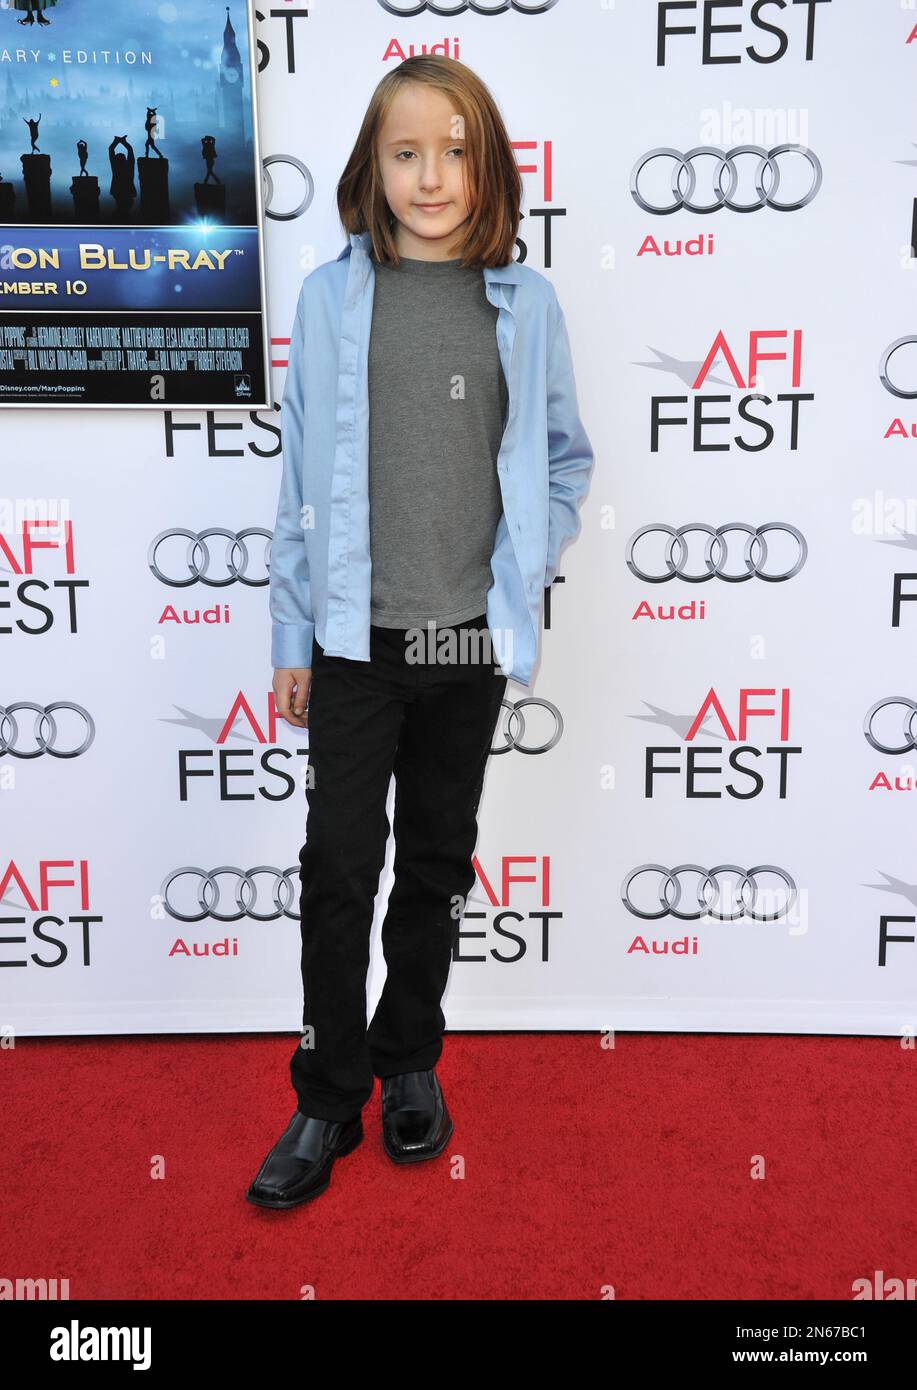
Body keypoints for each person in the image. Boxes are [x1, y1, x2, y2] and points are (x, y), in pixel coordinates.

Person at [247, 54, 594, 1210]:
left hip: (463, 648)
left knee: (434, 869)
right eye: (406, 152)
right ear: (372, 166)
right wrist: (293, 635)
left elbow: (559, 457)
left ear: (487, 164)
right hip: (354, 642)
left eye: (453, 150)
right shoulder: (330, 298)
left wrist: (519, 567)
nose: (431, 175)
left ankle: (409, 1063)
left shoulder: (525, 301)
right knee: (338, 867)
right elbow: (299, 475)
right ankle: (327, 1092)